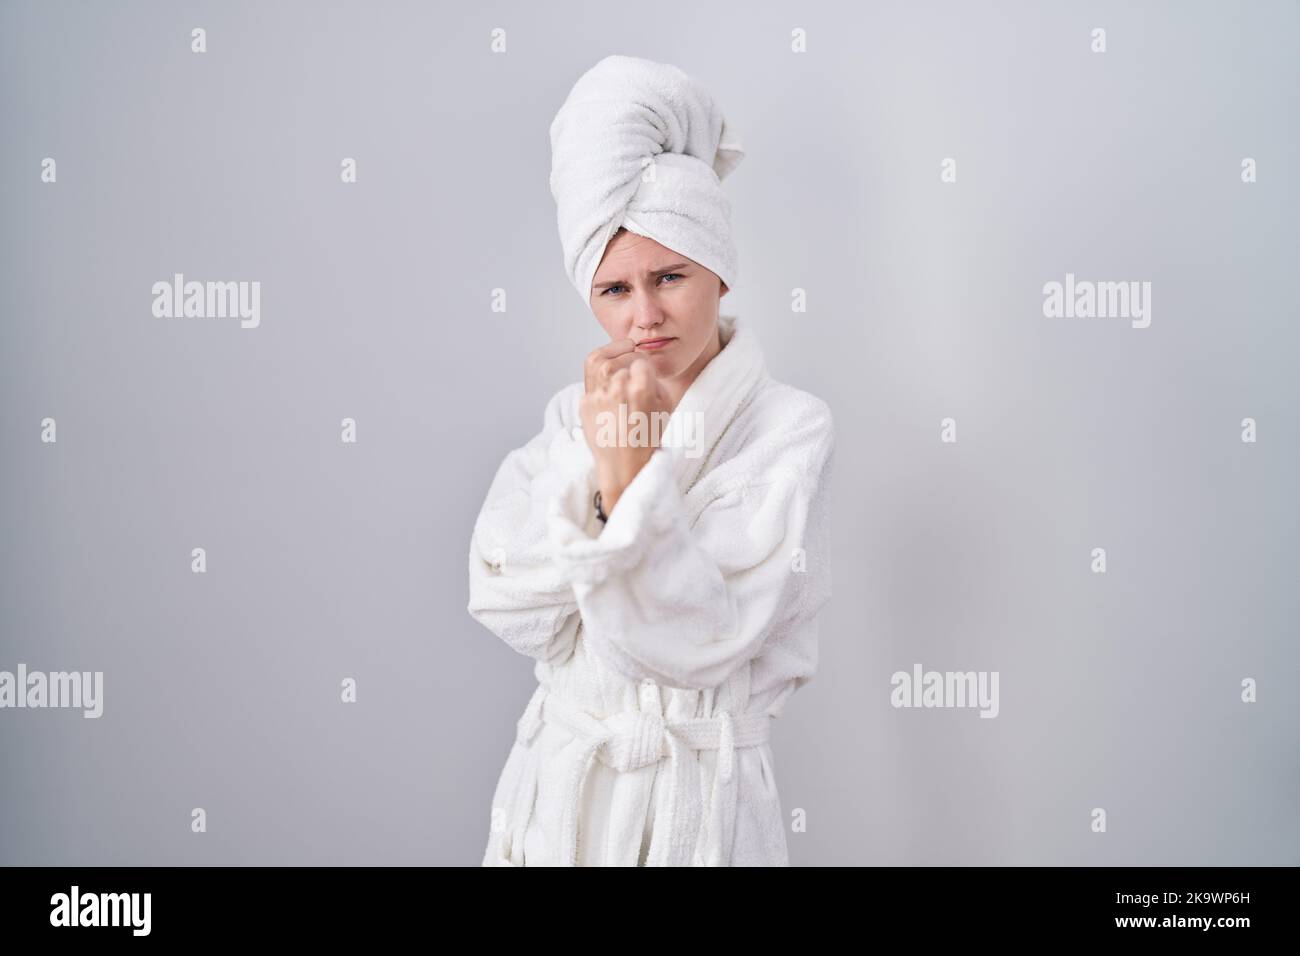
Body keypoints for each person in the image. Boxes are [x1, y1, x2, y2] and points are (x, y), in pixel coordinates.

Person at [467, 55, 834, 866]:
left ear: (720, 273)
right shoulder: (574, 415)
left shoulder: (787, 428)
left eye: (670, 278)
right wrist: (606, 460)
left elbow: (699, 635)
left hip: (697, 812)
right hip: (560, 803)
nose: (644, 317)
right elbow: (503, 601)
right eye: (614, 290)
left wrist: (623, 473)